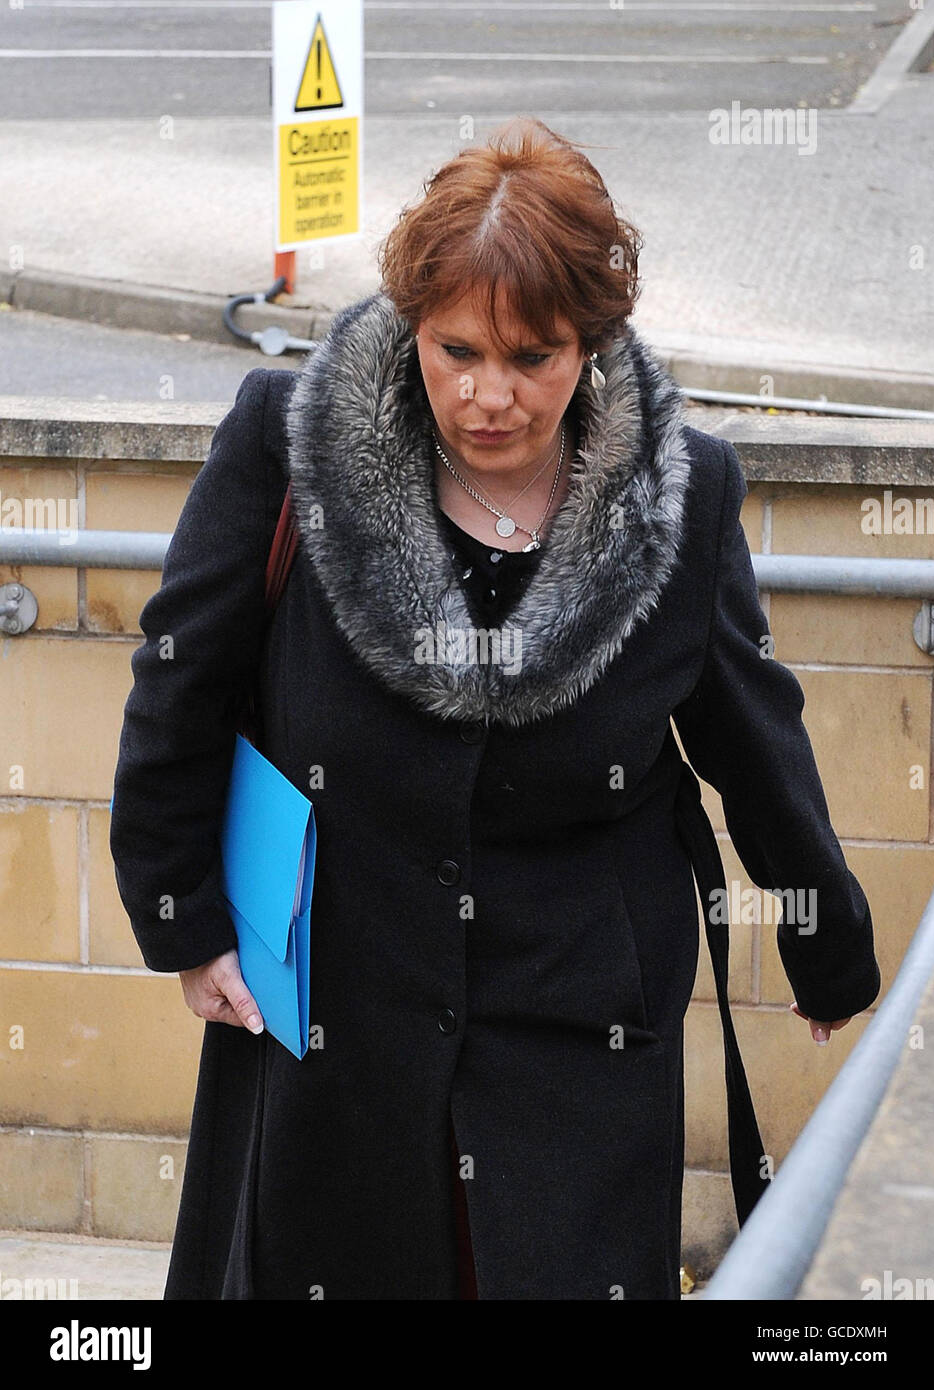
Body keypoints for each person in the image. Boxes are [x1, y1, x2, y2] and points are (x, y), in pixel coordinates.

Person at [109, 117, 880, 1301]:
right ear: (412, 324)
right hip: (339, 1003)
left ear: (595, 343)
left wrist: (826, 941)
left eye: (534, 356)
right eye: (455, 348)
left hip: (578, 1019)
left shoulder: (685, 493)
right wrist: (189, 921)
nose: (488, 395)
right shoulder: (286, 443)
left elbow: (746, 726)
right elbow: (177, 684)